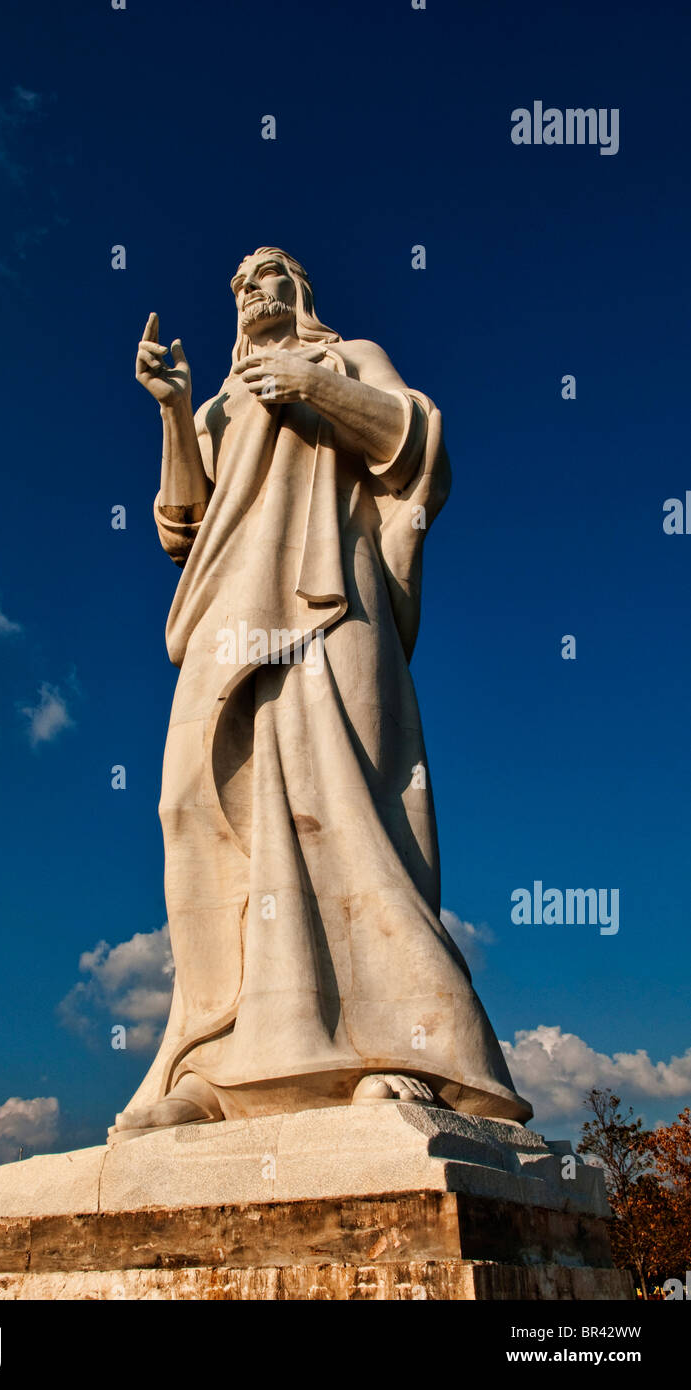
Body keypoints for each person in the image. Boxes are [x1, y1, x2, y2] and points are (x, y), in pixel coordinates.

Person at [110, 247, 531, 1140]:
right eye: (237, 284)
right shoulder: (219, 403)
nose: (250, 290)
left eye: (267, 275)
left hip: (328, 597)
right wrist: (178, 412)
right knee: (190, 808)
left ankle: (402, 1050)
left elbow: (416, 446)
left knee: (337, 801)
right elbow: (185, 528)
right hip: (227, 608)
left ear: (298, 292)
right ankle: (214, 1059)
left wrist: (314, 384)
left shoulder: (346, 359)